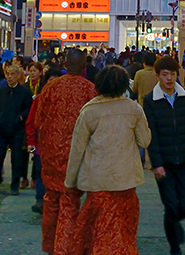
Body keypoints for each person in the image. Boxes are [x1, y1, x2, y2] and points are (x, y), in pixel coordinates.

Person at [64, 65, 152, 255]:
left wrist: (71, 180)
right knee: (123, 229)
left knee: (100, 229)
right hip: (126, 179)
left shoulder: (89, 111)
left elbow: (77, 149)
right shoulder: (134, 109)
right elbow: (144, 141)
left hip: (98, 180)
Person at [30, 49, 99, 255]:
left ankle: (50, 246)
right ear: (84, 66)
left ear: (64, 63)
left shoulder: (50, 87)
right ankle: (65, 249)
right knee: (70, 203)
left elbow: (38, 121)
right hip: (76, 157)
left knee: (51, 201)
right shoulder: (90, 90)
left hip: (50, 155)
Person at [143, 57, 185, 255]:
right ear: (157, 75)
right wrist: (156, 163)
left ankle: (175, 226)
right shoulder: (151, 101)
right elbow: (152, 134)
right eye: (165, 74)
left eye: (172, 74)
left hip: (184, 159)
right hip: (164, 163)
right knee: (171, 207)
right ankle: (174, 248)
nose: (169, 78)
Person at [0, 63, 33, 193]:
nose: (10, 77)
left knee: (16, 158)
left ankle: (15, 185)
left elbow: (29, 108)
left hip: (17, 130)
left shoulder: (24, 92)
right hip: (2, 129)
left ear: (18, 76)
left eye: (13, 74)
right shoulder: (1, 92)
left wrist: (21, 117)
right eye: (8, 74)